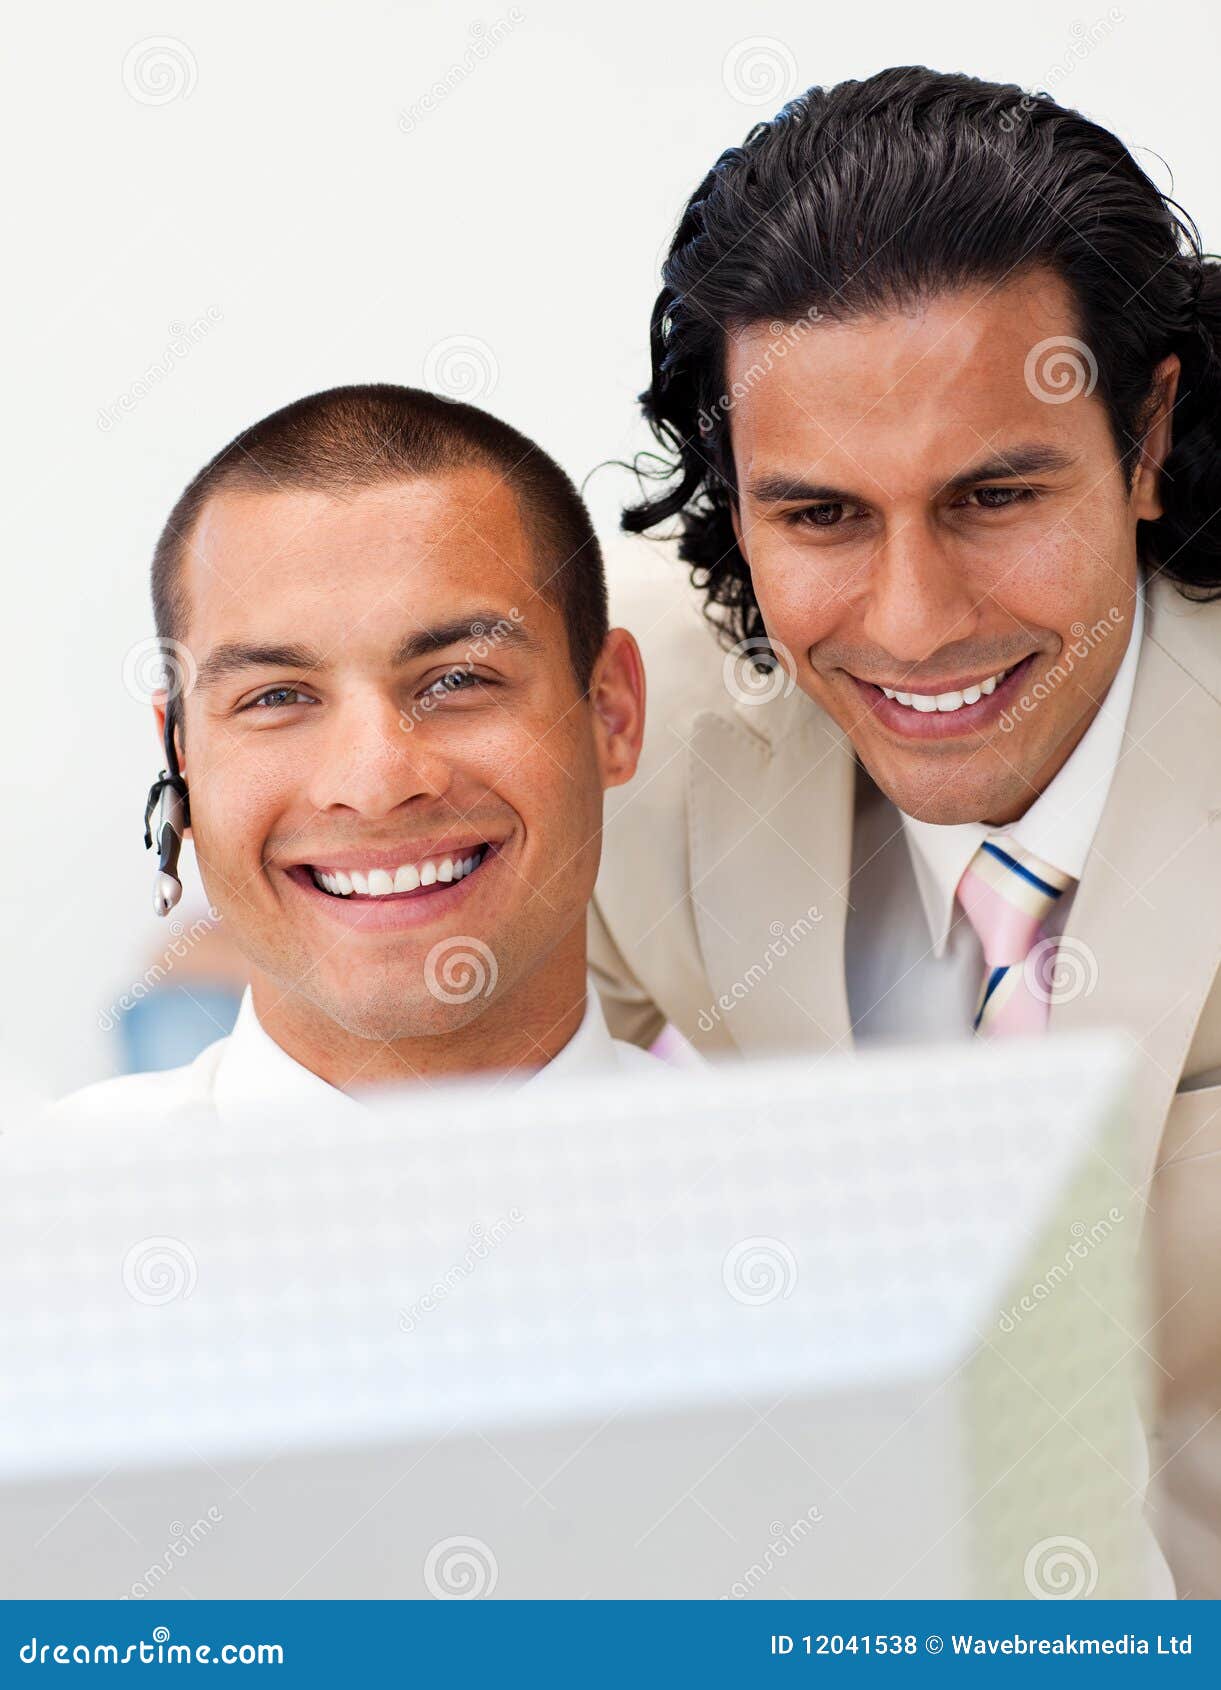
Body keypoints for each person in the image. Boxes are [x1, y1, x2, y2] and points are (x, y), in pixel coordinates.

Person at [589, 68, 1221, 1592]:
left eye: (993, 494)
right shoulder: (634, 741)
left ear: (1144, 440)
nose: (915, 622)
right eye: (817, 517)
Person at [55, 383, 651, 1123]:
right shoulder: (37, 1215)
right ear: (180, 761)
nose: (374, 784)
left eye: (458, 679)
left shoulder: (800, 1188)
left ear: (612, 716)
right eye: (276, 697)